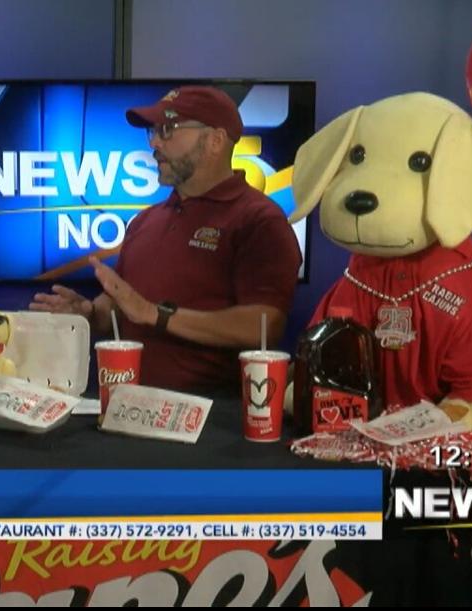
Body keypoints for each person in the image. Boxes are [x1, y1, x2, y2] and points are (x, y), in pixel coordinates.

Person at [31, 86, 301, 393]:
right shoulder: (146, 220)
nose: (155, 143)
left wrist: (156, 315)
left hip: (215, 422)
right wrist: (90, 314)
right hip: (129, 407)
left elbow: (263, 327)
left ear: (214, 140)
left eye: (168, 129)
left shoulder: (259, 220)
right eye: (154, 132)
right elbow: (123, 307)